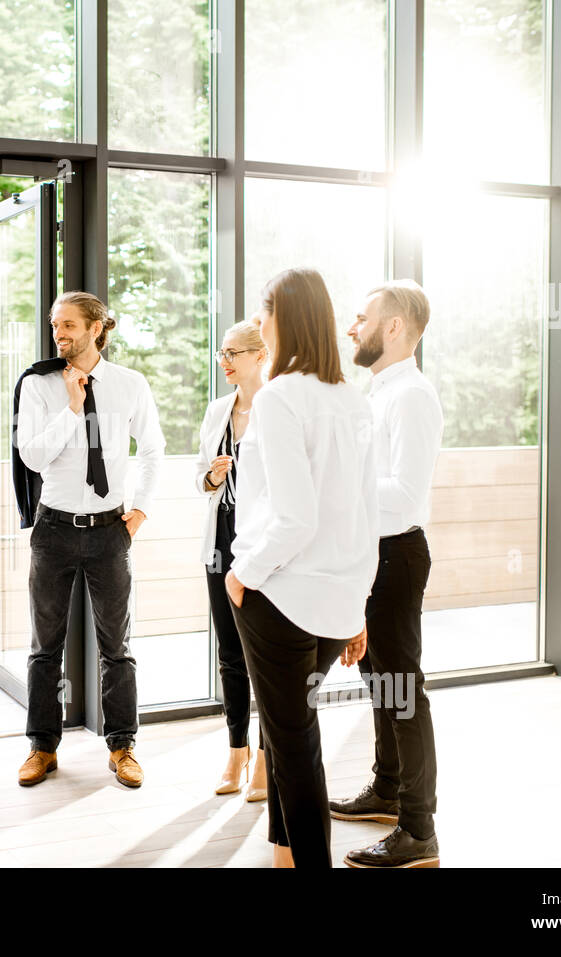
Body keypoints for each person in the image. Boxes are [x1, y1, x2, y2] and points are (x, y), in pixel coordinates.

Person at [224, 267, 378, 869]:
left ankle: (305, 861)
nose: (260, 326)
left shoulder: (281, 396)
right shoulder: (353, 399)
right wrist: (358, 602)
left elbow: (293, 517)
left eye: (264, 315)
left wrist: (243, 574)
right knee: (291, 730)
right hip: (335, 602)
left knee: (291, 743)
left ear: (284, 319)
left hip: (279, 595)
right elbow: (368, 515)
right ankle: (285, 855)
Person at [14, 291, 165, 789]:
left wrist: (140, 509)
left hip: (110, 531)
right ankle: (42, 748)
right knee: (44, 647)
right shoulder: (39, 386)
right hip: (53, 529)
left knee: (117, 646)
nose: (60, 333)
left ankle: (123, 746)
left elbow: (152, 449)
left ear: (97, 328)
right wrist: (72, 409)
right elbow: (32, 457)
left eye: (71, 325)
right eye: (56, 324)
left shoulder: (130, 384)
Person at [321, 280, 444, 868]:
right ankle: (388, 790)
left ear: (393, 327)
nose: (352, 327)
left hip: (396, 557)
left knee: (402, 693)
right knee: (378, 683)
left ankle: (418, 832)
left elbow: (406, 495)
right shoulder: (377, 392)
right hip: (372, 557)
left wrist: (338, 486)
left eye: (362, 318)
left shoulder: (411, 397)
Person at [194, 316, 272, 798]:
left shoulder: (278, 407)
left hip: (262, 546)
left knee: (262, 654)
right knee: (229, 653)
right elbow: (200, 480)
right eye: (221, 354)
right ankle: (236, 751)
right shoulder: (217, 409)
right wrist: (213, 477)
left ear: (260, 355)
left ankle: (266, 758)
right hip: (221, 540)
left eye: (233, 353)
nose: (224, 361)